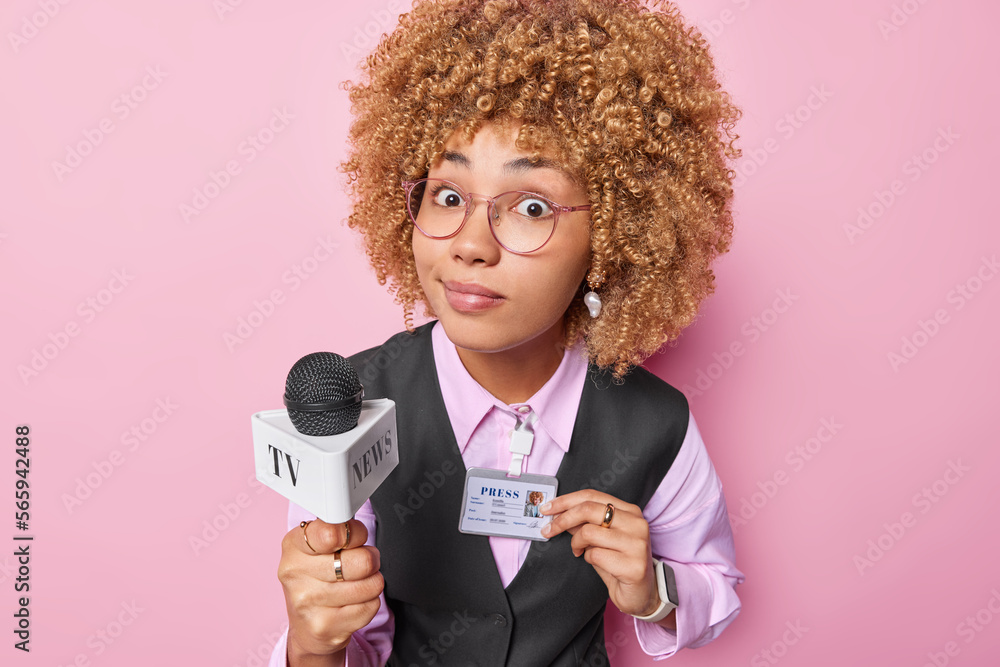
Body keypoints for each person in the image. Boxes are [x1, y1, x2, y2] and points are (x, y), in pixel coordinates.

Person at [270, 0, 743, 664]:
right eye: (448, 195)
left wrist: (654, 588)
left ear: (613, 235)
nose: (470, 244)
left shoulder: (654, 422)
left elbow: (715, 587)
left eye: (529, 206)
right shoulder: (354, 405)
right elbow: (354, 642)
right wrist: (311, 647)